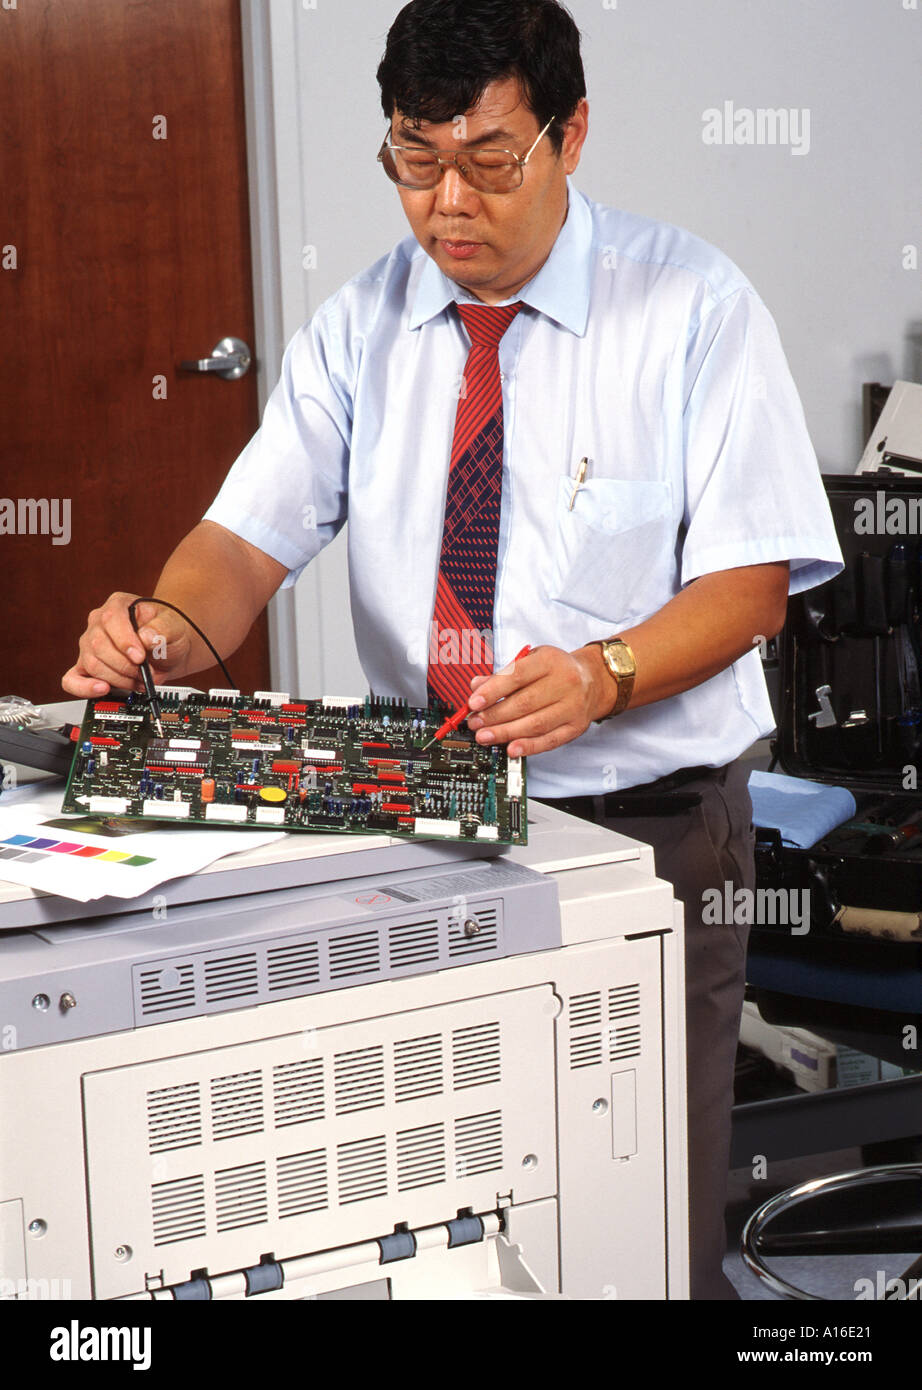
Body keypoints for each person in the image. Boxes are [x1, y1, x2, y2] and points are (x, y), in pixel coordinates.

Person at [63, 0, 842, 1298]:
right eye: (414, 164)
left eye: (488, 160)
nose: (445, 207)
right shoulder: (364, 324)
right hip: (423, 798)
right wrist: (165, 626)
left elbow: (750, 584)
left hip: (645, 812)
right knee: (448, 1195)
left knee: (634, 1199)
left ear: (570, 132)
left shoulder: (690, 305)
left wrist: (603, 674)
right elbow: (242, 547)